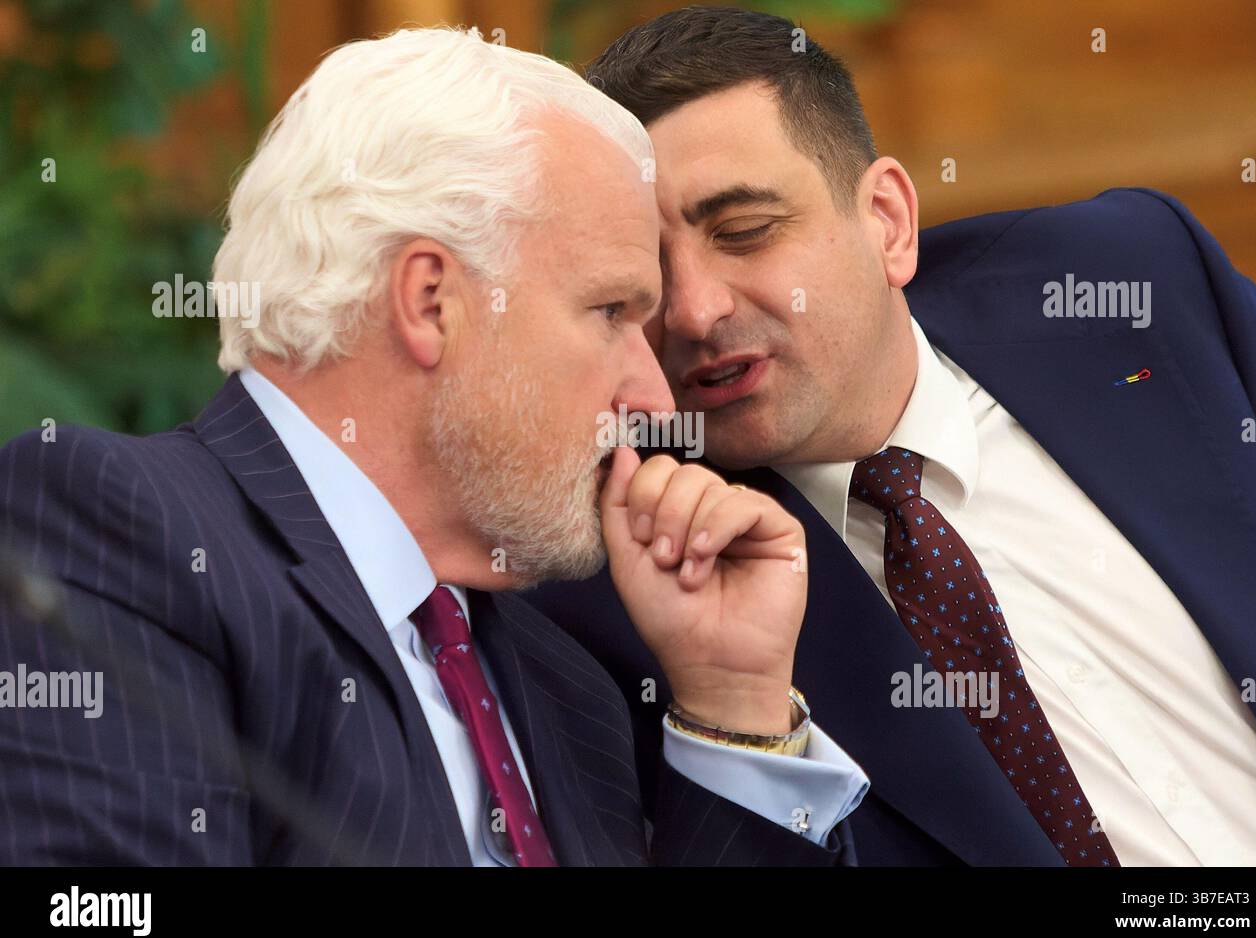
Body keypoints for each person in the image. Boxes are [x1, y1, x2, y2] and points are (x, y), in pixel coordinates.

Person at [0, 26, 868, 866]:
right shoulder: (121, 531)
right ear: (429, 300)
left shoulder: (566, 686)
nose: (650, 393)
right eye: (611, 312)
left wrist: (733, 705)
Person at [525, 5, 1256, 866]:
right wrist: (734, 709)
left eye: (744, 233)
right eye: (645, 278)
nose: (697, 311)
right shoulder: (617, 591)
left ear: (888, 221)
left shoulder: (1130, 285)